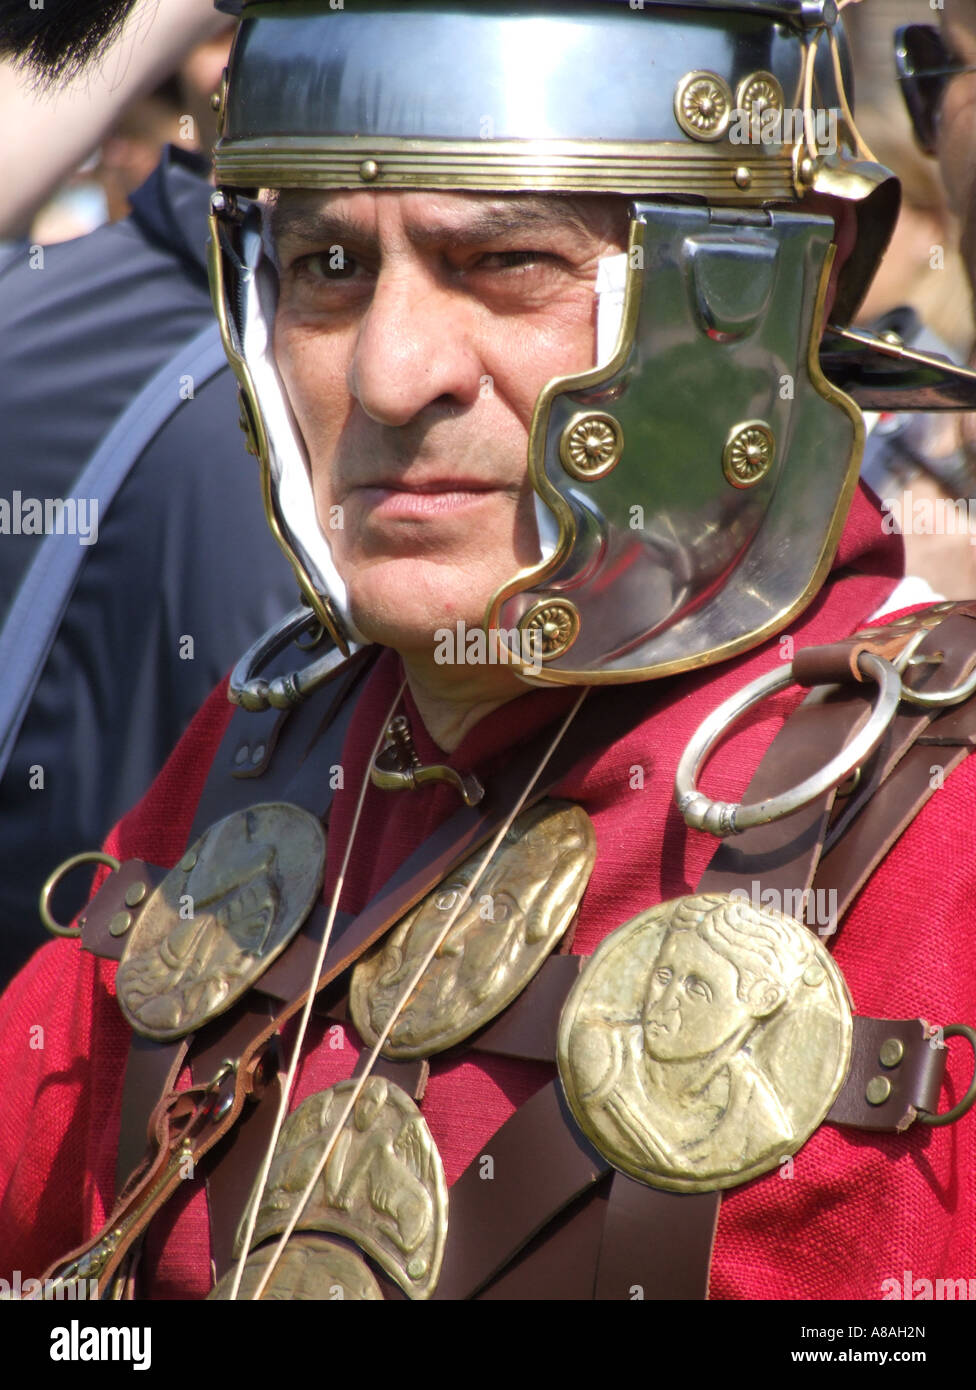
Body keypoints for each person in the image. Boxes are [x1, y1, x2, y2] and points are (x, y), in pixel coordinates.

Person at [1, 0, 975, 1305]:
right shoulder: (263, 743)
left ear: (754, 289)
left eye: (507, 262)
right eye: (330, 266)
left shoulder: (944, 830)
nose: (394, 375)